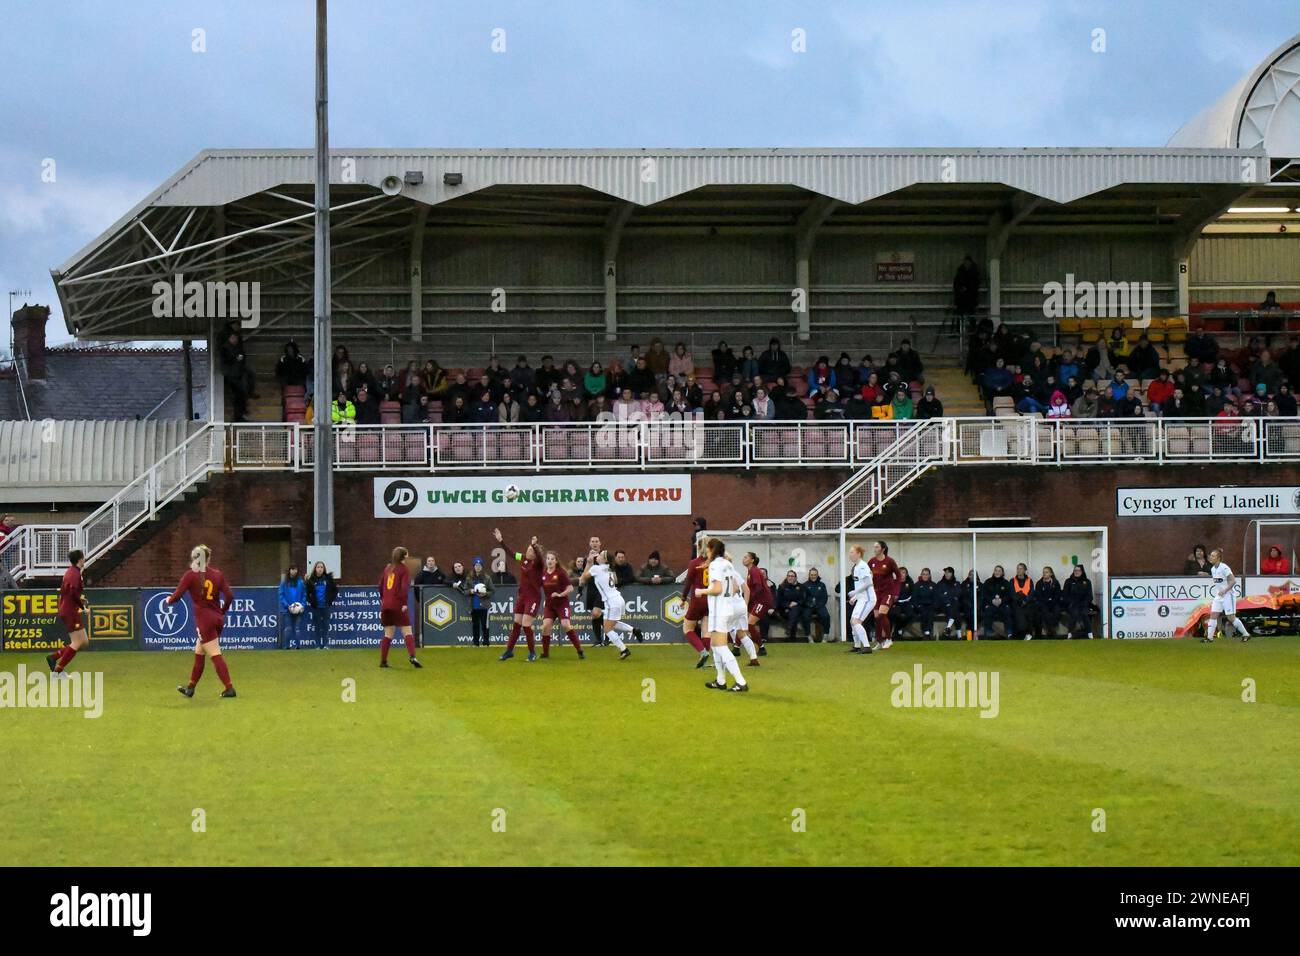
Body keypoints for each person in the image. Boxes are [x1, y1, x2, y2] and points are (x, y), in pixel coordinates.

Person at [171, 544, 237, 698]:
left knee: (215, 654)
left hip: (204, 621)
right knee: (199, 651)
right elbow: (230, 596)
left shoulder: (191, 575)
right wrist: (222, 611)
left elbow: (177, 595)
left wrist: (168, 600)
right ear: (208, 559)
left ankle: (229, 688)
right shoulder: (217, 575)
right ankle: (191, 688)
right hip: (217, 619)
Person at [695, 538, 749, 692]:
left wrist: (702, 591)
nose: (706, 552)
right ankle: (720, 680)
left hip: (719, 611)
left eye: (707, 549)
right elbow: (733, 587)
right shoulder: (728, 564)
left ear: (711, 549)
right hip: (726, 608)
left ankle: (741, 681)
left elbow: (717, 588)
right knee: (714, 645)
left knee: (721, 647)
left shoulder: (714, 565)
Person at [493, 528, 545, 662]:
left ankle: (532, 653)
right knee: (516, 624)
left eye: (531, 550)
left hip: (533, 598)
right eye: (528, 549)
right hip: (522, 597)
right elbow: (511, 553)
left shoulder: (538, 564)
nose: (528, 551)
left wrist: (534, 544)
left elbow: (539, 556)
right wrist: (501, 541)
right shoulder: (522, 559)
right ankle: (509, 651)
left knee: (526, 624)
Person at [581, 549, 643, 659]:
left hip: (611, 602)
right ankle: (633, 630)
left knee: (607, 629)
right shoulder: (609, 569)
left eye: (600, 555)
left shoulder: (596, 568)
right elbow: (615, 581)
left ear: (604, 559)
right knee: (612, 623)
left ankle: (624, 650)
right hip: (618, 598)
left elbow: (584, 578)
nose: (597, 556)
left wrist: (589, 563)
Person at [47, 549, 90, 676]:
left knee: (84, 641)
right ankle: (57, 672)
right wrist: (83, 608)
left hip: (68, 609)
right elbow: (72, 593)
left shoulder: (72, 572)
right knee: (78, 642)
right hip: (70, 611)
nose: (84, 559)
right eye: (83, 557)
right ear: (80, 559)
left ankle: (54, 657)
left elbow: (70, 593)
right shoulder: (74, 574)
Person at [378, 547, 421, 668]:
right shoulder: (404, 569)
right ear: (404, 556)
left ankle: (383, 661)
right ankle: (413, 656)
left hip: (386, 605)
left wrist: (383, 599)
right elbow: (404, 588)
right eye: (407, 554)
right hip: (397, 604)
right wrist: (404, 603)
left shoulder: (388, 568)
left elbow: (380, 586)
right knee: (407, 631)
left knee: (388, 633)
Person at [539, 550, 584, 659]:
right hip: (549, 605)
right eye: (548, 559)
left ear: (556, 561)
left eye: (552, 559)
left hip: (561, 604)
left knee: (565, 625)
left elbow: (570, 588)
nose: (550, 561)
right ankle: (545, 653)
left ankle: (579, 651)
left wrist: (560, 594)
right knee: (545, 627)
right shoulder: (543, 574)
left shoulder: (560, 573)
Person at [1202, 548, 1251, 643]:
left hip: (1228, 595)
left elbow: (1233, 581)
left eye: (1213, 556)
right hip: (1219, 596)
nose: (1210, 557)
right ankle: (1209, 638)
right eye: (1211, 555)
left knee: (1231, 617)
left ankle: (1246, 634)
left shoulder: (1224, 568)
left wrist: (1225, 590)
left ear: (1218, 558)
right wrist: (1220, 592)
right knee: (1213, 615)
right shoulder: (1212, 569)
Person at [679, 540, 713, 667]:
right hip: (711, 600)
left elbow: (688, 582)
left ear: (699, 547)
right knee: (706, 632)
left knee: (687, 628)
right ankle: (704, 659)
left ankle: (702, 652)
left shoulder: (694, 563)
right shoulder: (713, 563)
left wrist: (683, 598)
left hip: (698, 599)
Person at [740, 552, 772, 664]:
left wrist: (749, 600)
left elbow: (758, 587)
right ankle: (738, 647)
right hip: (758, 601)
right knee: (745, 624)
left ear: (752, 560)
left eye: (745, 557)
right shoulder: (751, 571)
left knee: (749, 624)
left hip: (762, 601)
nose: (743, 559)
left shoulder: (754, 571)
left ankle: (761, 648)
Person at [868, 540, 901, 650]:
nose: (875, 549)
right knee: (877, 617)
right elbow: (868, 576)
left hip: (888, 592)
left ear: (883, 549)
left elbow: (898, 576)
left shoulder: (889, 561)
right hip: (876, 592)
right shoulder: (871, 561)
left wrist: (896, 592)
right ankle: (879, 641)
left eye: (877, 547)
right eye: (874, 547)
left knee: (882, 614)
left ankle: (888, 638)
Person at [846, 544, 876, 654]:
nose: (850, 555)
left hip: (868, 599)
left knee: (856, 621)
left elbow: (869, 582)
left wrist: (855, 592)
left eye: (852, 552)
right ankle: (857, 646)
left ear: (858, 554)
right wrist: (855, 597)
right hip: (862, 598)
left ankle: (867, 647)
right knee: (852, 621)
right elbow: (861, 584)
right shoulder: (857, 566)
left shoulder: (862, 566)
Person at [460, 557, 494, 647]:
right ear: (474, 567)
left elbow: (492, 590)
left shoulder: (487, 578)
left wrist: (485, 593)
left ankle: (486, 643)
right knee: (475, 625)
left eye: (479, 565)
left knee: (484, 625)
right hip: (473, 605)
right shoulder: (469, 578)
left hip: (484, 605)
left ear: (482, 567)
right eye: (476, 565)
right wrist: (470, 591)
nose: (478, 567)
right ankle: (476, 643)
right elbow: (464, 591)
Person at [305, 560, 337, 649]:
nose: (320, 569)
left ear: (324, 569)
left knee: (325, 626)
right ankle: (318, 645)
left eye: (321, 567)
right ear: (315, 569)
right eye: (318, 567)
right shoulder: (311, 580)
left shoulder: (328, 579)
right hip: (316, 607)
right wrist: (312, 602)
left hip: (326, 606)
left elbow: (335, 590)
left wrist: (330, 600)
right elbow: (307, 594)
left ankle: (326, 645)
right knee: (317, 627)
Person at [980, 565, 1014, 639]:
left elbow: (1009, 595)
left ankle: (1009, 632)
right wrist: (991, 600)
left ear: (1002, 573)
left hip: (1003, 604)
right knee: (987, 610)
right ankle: (988, 631)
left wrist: (1002, 600)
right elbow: (984, 594)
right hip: (991, 604)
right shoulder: (988, 582)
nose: (997, 572)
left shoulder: (1006, 583)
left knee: (1007, 610)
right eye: (996, 570)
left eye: (999, 571)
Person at [278, 564, 308, 649]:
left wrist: (302, 606)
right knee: (288, 628)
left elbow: (304, 595)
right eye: (292, 569)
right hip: (287, 609)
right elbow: (281, 595)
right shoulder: (284, 582)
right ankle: (287, 646)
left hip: (298, 609)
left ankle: (298, 646)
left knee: (297, 628)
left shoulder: (300, 582)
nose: (294, 571)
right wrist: (287, 606)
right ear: (289, 570)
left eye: (295, 569)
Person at [1062, 565, 1095, 639]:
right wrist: (1070, 602)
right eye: (1075, 570)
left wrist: (1085, 602)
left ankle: (1090, 634)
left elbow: (1090, 596)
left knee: (1084, 613)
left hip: (1083, 604)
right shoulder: (1068, 581)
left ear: (1082, 571)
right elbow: (1065, 595)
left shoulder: (1087, 582)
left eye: (1078, 570)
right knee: (1074, 613)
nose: (1076, 572)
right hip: (1072, 604)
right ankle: (1070, 633)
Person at [801, 567, 831, 642]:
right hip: (808, 606)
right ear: (809, 575)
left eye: (815, 575)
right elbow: (803, 598)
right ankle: (808, 636)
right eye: (811, 575)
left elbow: (824, 598)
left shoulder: (822, 585)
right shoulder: (804, 585)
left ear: (817, 575)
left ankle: (826, 635)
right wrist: (808, 604)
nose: (813, 576)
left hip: (819, 606)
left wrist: (819, 605)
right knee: (805, 616)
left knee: (826, 616)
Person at [1008, 562, 1036, 640]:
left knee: (1030, 612)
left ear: (1024, 570)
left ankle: (1028, 633)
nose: (1019, 570)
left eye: (1021, 569)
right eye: (1018, 568)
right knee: (1018, 614)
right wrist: (1020, 601)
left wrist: (1026, 601)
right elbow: (1012, 593)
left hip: (1027, 603)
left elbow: (1031, 593)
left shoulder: (1030, 580)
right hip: (1016, 603)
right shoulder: (1012, 580)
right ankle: (1021, 634)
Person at [1033, 566, 1062, 639]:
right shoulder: (1039, 583)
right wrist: (1046, 601)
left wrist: (1052, 601)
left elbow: (1058, 595)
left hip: (1054, 603)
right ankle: (1051, 631)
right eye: (1043, 572)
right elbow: (1038, 596)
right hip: (1043, 603)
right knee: (1045, 612)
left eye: (1046, 572)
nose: (1044, 574)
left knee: (1057, 611)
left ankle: (1051, 629)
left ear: (1051, 574)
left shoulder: (1056, 583)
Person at [775, 570, 804, 639]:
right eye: (789, 576)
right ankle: (792, 636)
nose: (790, 578)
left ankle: (789, 628)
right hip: (784, 609)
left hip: (798, 608)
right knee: (793, 613)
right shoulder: (782, 586)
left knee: (795, 610)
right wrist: (788, 606)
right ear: (787, 577)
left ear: (795, 578)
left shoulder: (801, 586)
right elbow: (779, 600)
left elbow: (803, 599)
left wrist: (796, 603)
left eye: (792, 576)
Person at [952, 255, 981, 324]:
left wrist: (966, 288)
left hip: (970, 298)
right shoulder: (960, 272)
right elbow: (956, 284)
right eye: (966, 263)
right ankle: (960, 331)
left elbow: (976, 284)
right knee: (961, 317)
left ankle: (971, 331)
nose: (967, 264)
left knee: (971, 317)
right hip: (962, 299)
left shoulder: (973, 273)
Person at [934, 567, 961, 638]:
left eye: (949, 572)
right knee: (954, 610)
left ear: (952, 573)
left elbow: (958, 594)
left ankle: (948, 628)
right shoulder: (940, 584)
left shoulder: (956, 583)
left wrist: (948, 595)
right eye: (945, 572)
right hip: (943, 606)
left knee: (955, 610)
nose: (947, 574)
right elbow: (939, 595)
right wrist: (949, 599)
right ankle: (959, 635)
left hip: (953, 606)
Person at [910, 567, 936, 639]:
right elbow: (914, 598)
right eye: (923, 574)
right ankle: (925, 632)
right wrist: (917, 606)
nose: (925, 576)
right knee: (924, 614)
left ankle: (927, 633)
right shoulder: (917, 585)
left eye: (927, 574)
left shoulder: (933, 585)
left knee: (930, 614)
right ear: (921, 575)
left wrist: (934, 606)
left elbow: (935, 597)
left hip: (930, 605)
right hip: (920, 605)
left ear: (929, 575)